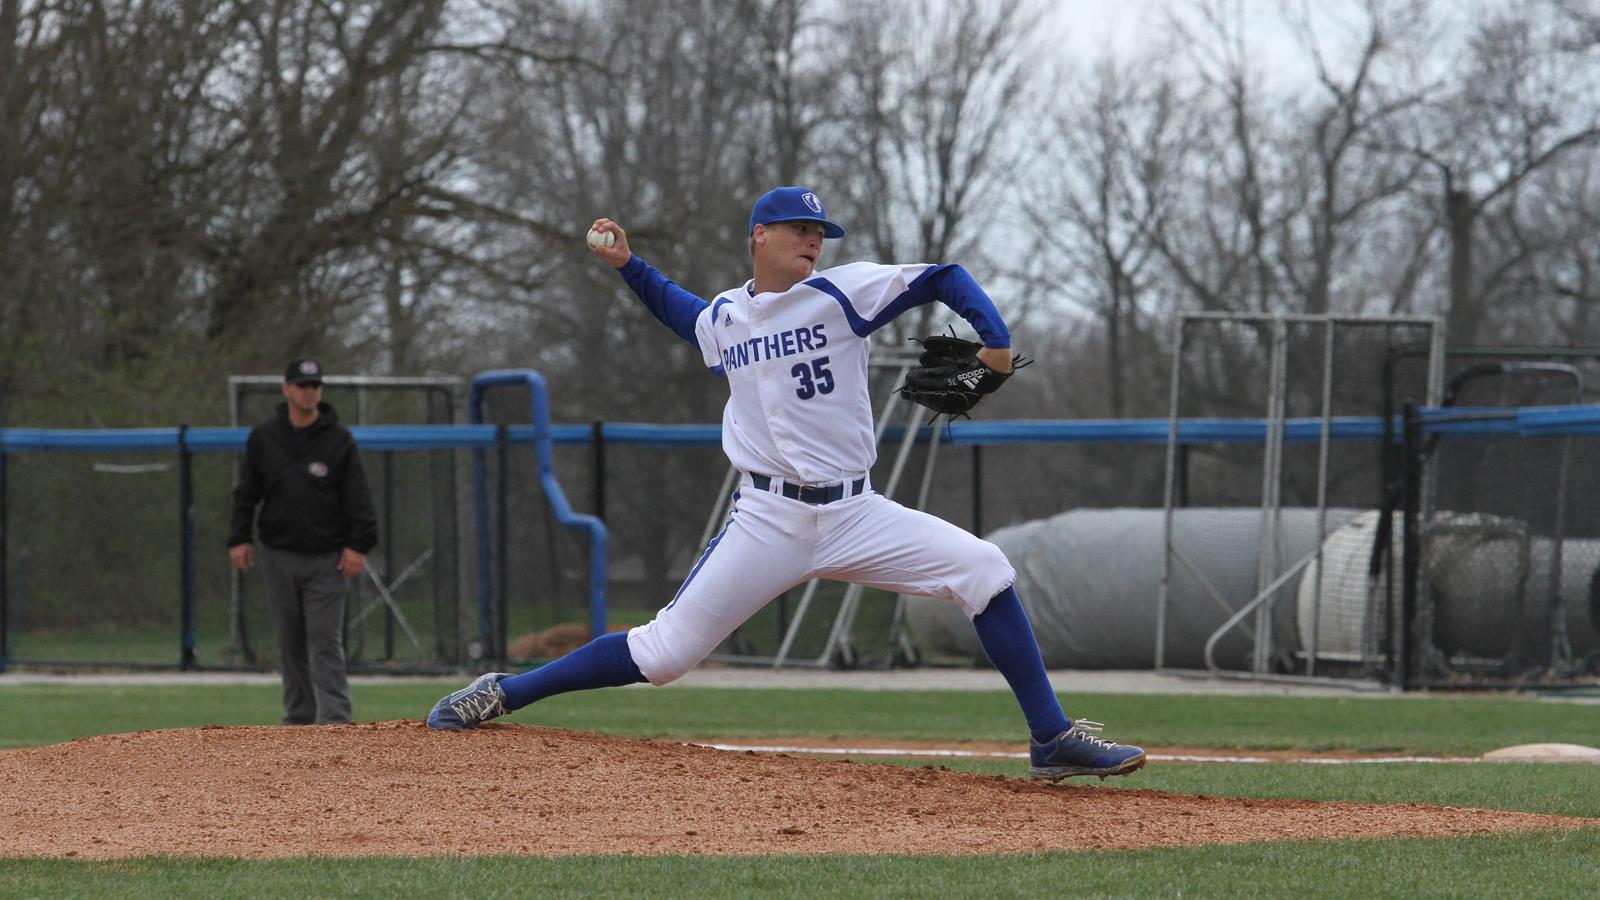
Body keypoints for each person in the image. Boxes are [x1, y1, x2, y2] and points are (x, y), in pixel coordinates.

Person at [427, 186, 1145, 781]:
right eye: (800, 230)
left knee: (985, 569)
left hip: (856, 511)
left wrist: (993, 340)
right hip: (769, 519)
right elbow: (681, 311)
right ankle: (503, 691)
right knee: (665, 654)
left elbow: (942, 276)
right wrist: (627, 264)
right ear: (759, 236)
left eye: (820, 232)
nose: (814, 241)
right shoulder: (728, 319)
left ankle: (1050, 739)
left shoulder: (840, 294)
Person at [229, 358, 378, 725]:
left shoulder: (338, 439)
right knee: (290, 642)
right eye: (302, 385)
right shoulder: (265, 437)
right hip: (279, 554)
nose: (309, 391)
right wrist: (239, 537)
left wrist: (358, 545)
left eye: (314, 385)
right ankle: (298, 717)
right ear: (286, 388)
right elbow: (246, 493)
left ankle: (336, 719)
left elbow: (358, 499)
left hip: (326, 558)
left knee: (325, 642)